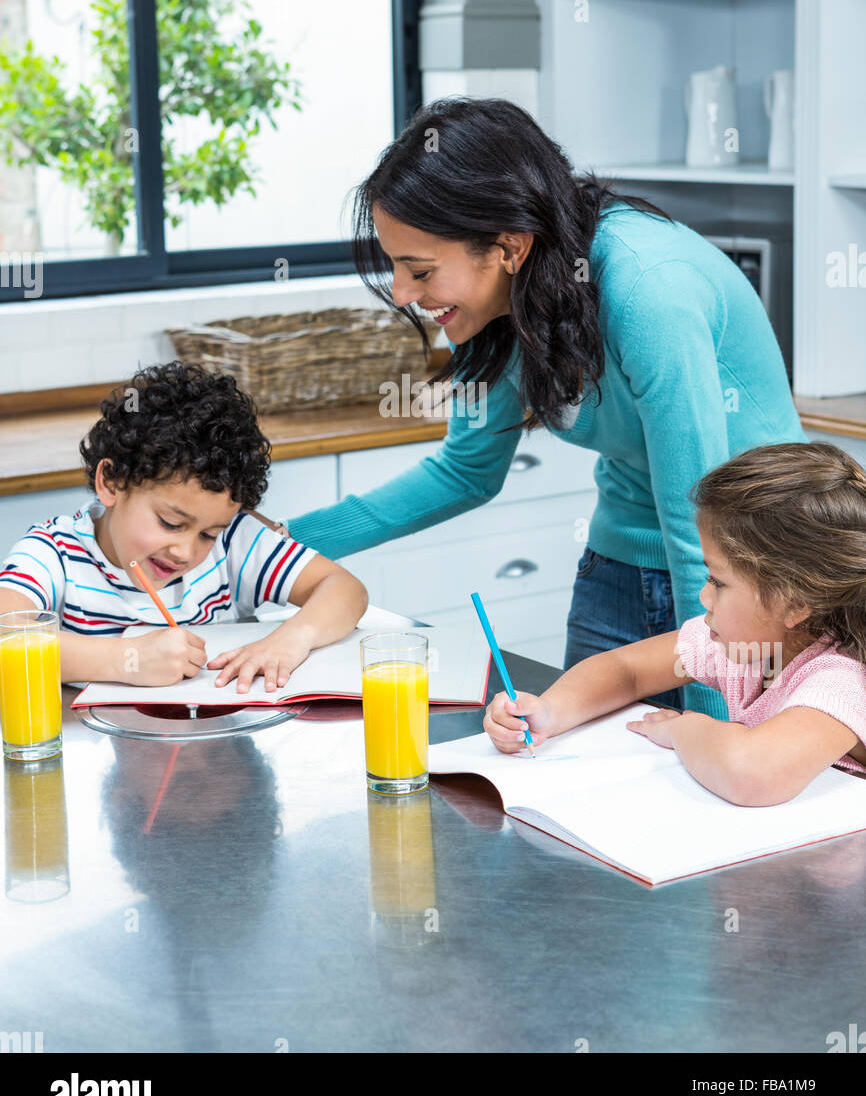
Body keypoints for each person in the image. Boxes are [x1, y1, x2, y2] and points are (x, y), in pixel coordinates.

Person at [288, 96, 807, 716]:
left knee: (721, 794)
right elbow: (465, 472)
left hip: (749, 583)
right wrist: (272, 549)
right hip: (617, 572)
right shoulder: (505, 303)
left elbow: (695, 516)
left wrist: (711, 719)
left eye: (419, 270)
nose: (401, 293)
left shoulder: (650, 291)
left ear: (509, 245)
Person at [483, 442, 866, 805]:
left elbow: (750, 772)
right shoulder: (746, 643)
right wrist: (550, 712)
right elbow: (626, 669)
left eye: (718, 581)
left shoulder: (840, 681)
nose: (704, 597)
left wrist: (681, 729)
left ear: (795, 603)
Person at [0, 362, 368, 694]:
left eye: (207, 534)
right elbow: (5, 639)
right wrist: (123, 658)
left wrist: (291, 638)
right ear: (111, 483)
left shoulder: (234, 543)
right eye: (171, 523)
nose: (186, 552)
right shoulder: (54, 553)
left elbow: (344, 589)